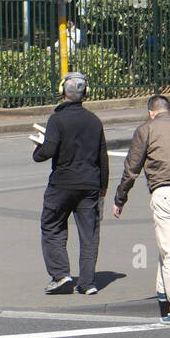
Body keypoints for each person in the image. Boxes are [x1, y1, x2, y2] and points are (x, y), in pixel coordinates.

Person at [113, 94, 170, 324]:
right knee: (169, 244)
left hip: (165, 194)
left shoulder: (145, 129)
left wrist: (120, 199)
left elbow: (132, 168)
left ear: (151, 112)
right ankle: (161, 292)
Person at [31, 71, 108, 296]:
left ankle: (60, 275)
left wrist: (37, 150)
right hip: (90, 185)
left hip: (62, 185)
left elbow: (49, 150)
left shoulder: (57, 119)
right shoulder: (94, 121)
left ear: (62, 91)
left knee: (52, 226)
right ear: (85, 93)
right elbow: (102, 155)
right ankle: (87, 283)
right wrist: (102, 186)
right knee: (89, 234)